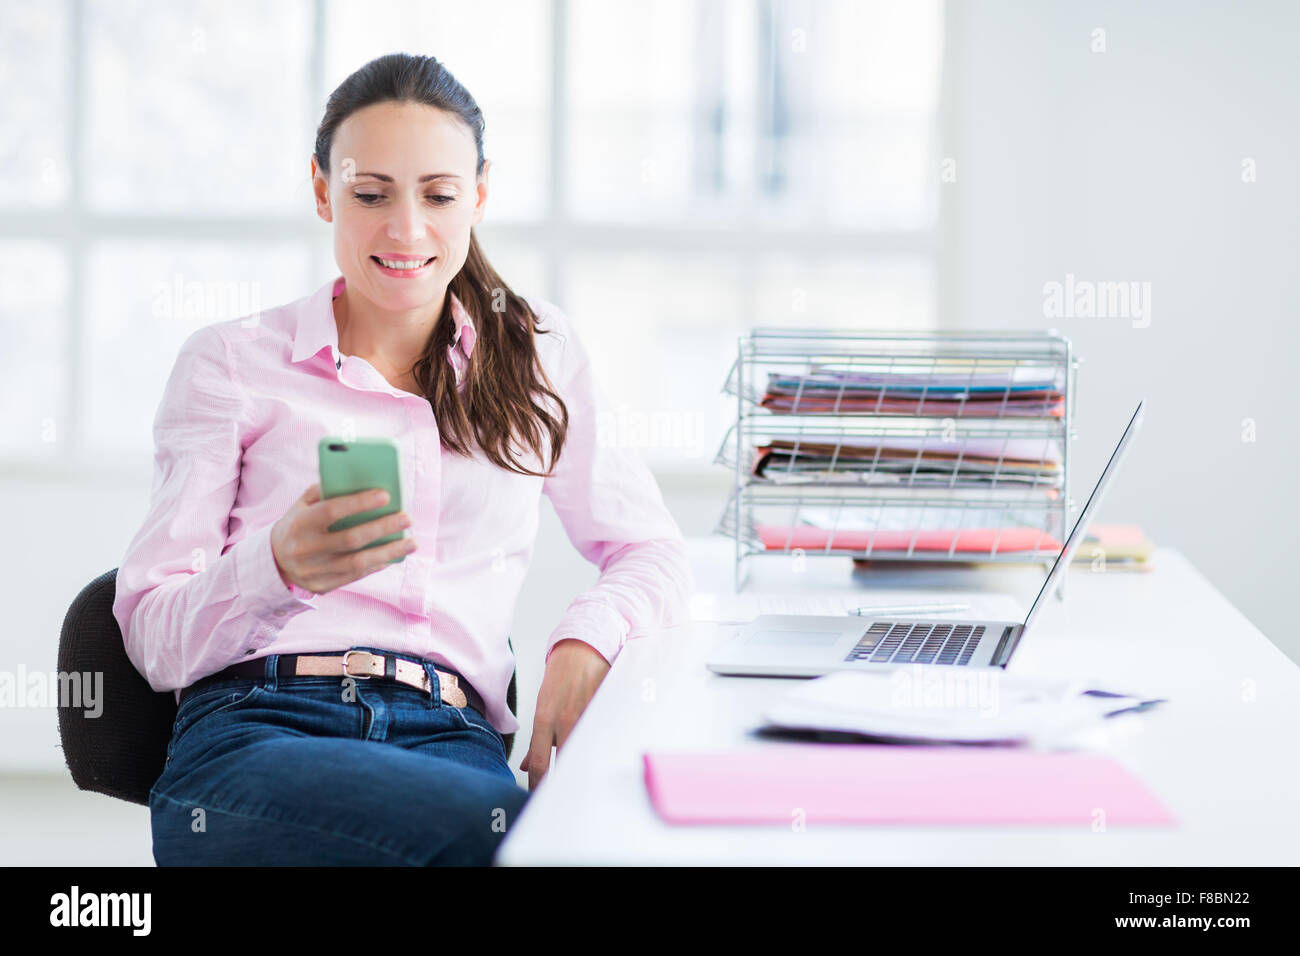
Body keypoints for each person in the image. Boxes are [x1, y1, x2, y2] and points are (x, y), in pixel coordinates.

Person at [111, 52, 694, 866]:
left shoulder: (537, 354)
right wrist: (273, 568)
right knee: (526, 840)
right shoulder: (231, 363)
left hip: (451, 736)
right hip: (259, 733)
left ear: (480, 194)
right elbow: (151, 636)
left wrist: (586, 638)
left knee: (549, 828)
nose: (407, 229)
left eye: (440, 195)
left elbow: (653, 552)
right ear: (323, 191)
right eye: (371, 194)